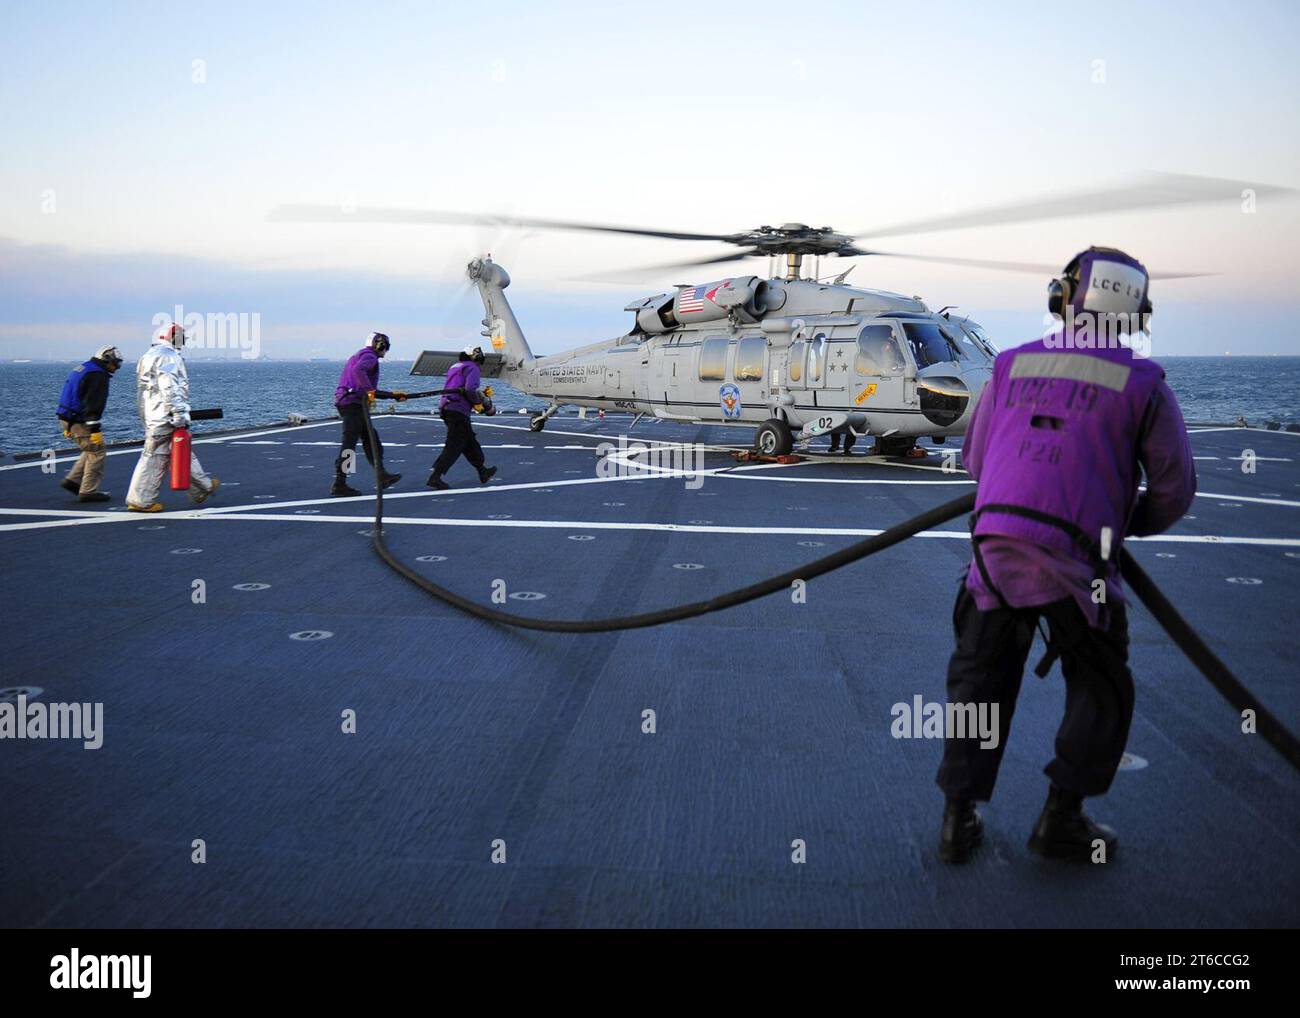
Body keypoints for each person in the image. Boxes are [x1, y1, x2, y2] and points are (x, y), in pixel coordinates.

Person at [936, 247, 1196, 864]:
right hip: (1080, 563)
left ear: (1063, 299)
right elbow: (1173, 490)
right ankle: (1062, 817)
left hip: (996, 552)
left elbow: (977, 460)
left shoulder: (1009, 366)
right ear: (1134, 314)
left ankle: (956, 820)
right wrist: (1117, 525)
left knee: (979, 680)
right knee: (1102, 685)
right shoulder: (1144, 384)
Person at [125, 324, 220, 512]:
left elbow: (143, 391)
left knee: (179, 449)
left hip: (152, 413)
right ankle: (141, 500)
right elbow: (169, 386)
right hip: (165, 415)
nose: (183, 341)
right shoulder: (169, 356)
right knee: (154, 457)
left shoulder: (147, 356)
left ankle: (202, 487)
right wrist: (178, 413)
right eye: (181, 337)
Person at [330, 332, 406, 497]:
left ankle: (382, 475)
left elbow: (368, 389)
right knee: (349, 445)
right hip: (352, 404)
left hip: (353, 403)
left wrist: (393, 395)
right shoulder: (370, 357)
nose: (386, 351)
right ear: (380, 345)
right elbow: (360, 374)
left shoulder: (361, 355)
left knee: (372, 440)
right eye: (386, 347)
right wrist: (371, 391)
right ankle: (340, 483)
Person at [56, 345, 124, 502]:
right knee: (97, 451)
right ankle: (88, 491)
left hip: (68, 418)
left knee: (90, 449)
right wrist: (95, 429)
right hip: (78, 420)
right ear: (106, 360)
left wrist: (68, 423)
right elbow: (93, 404)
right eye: (115, 364)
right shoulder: (97, 375)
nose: (116, 368)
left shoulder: (85, 368)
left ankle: (73, 481)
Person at [427, 345, 498, 490]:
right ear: (476, 357)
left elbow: (460, 386)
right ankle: (435, 476)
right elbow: (470, 389)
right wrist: (478, 402)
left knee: (469, 442)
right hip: (457, 409)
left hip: (446, 407)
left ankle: (482, 471)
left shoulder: (456, 366)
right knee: (454, 444)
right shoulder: (472, 367)